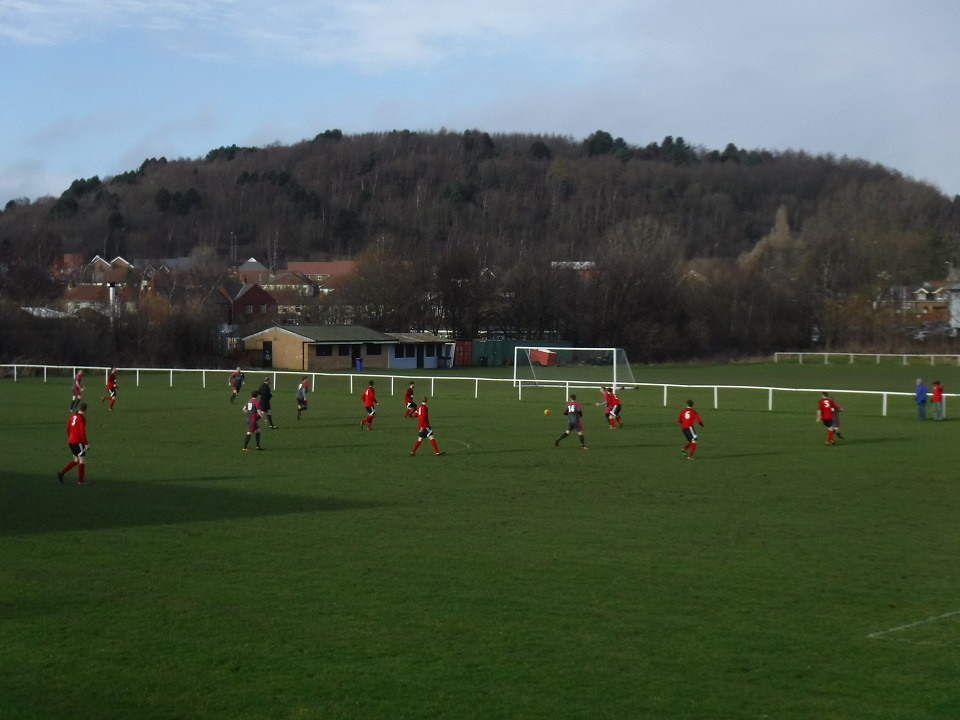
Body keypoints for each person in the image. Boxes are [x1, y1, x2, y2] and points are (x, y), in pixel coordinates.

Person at [58, 402, 89, 484]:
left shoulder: (72, 416)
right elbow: (82, 432)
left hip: (71, 441)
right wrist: (86, 444)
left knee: (76, 460)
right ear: (85, 409)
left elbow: (67, 428)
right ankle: (81, 481)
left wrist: (70, 437)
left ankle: (61, 473)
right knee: (82, 460)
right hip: (78, 441)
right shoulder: (82, 418)